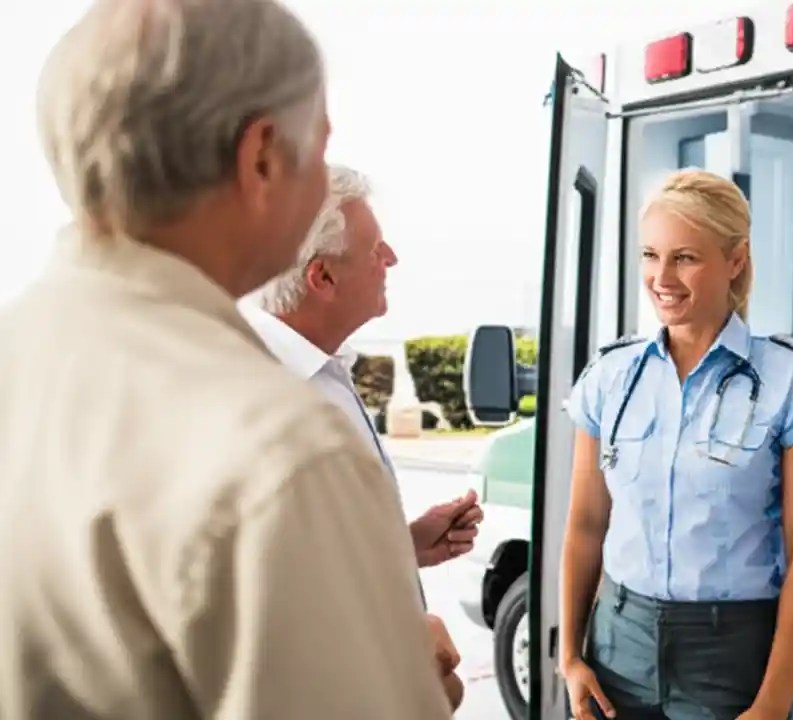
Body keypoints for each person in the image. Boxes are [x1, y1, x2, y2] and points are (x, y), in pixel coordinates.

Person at [0, 1, 453, 718]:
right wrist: (415, 680)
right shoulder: (279, 446)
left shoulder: (23, 359)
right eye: (320, 142)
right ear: (263, 158)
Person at [558, 169, 793, 720]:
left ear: (735, 260)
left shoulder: (791, 382)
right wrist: (570, 656)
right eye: (650, 255)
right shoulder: (610, 377)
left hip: (731, 655)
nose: (661, 277)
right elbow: (586, 524)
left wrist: (772, 703)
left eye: (685, 257)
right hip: (618, 645)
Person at [240, 163, 483, 708]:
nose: (391, 259)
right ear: (321, 277)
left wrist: (403, 545)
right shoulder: (250, 396)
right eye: (375, 249)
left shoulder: (325, 373)